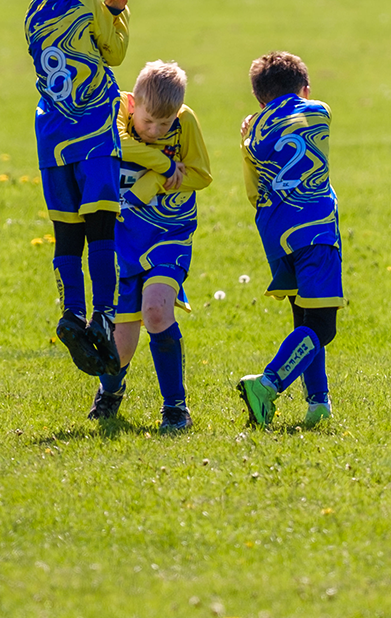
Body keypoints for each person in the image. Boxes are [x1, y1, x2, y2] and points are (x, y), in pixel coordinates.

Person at [25, 0, 129, 378]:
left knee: (67, 234)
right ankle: (103, 315)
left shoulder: (33, 11)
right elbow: (116, 53)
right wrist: (117, 14)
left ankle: (72, 312)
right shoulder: (90, 8)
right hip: (94, 135)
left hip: (52, 139)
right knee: (102, 226)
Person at [87, 61, 212, 431]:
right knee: (121, 345)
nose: (157, 130)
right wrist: (161, 163)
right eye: (149, 122)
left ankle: (176, 407)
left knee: (157, 312)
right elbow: (118, 144)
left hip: (169, 234)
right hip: (122, 239)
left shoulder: (184, 121)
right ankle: (109, 393)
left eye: (165, 123)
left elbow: (202, 174)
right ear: (134, 103)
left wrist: (150, 186)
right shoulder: (116, 112)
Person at [236, 52, 343, 428]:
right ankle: (267, 384)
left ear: (259, 98)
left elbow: (253, 192)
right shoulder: (320, 111)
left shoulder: (250, 131)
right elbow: (310, 111)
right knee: (322, 327)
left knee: (304, 319)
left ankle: (319, 403)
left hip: (276, 234)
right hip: (315, 230)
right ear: (306, 89)